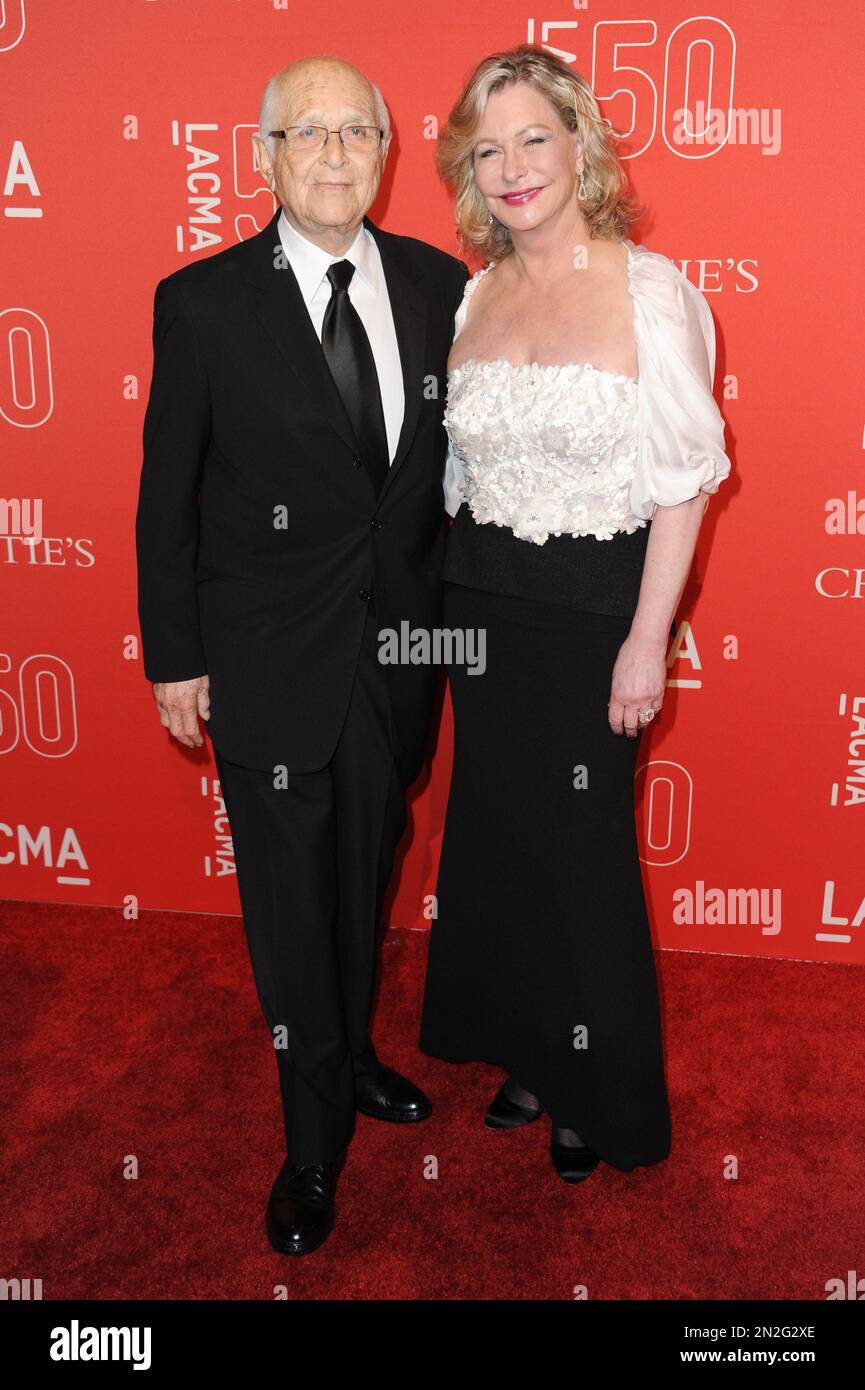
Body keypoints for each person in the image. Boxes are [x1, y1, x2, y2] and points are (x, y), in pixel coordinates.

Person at [135, 54, 468, 1254]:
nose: (334, 155)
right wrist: (173, 654)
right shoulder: (205, 301)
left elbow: (449, 492)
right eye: (307, 133)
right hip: (267, 661)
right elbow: (164, 496)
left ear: (387, 153)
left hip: (394, 661)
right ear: (265, 154)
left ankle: (355, 1051)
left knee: (363, 875)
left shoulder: (442, 287)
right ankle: (310, 1139)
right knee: (288, 906)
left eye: (356, 134)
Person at [419, 44, 731, 1183]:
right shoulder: (475, 289)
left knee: (583, 855)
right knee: (500, 846)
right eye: (488, 148)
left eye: (532, 139)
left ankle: (598, 1090)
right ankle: (534, 1053)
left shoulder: (650, 288)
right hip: (481, 613)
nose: (512, 168)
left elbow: (686, 480)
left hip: (593, 616)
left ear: (579, 145)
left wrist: (646, 638)